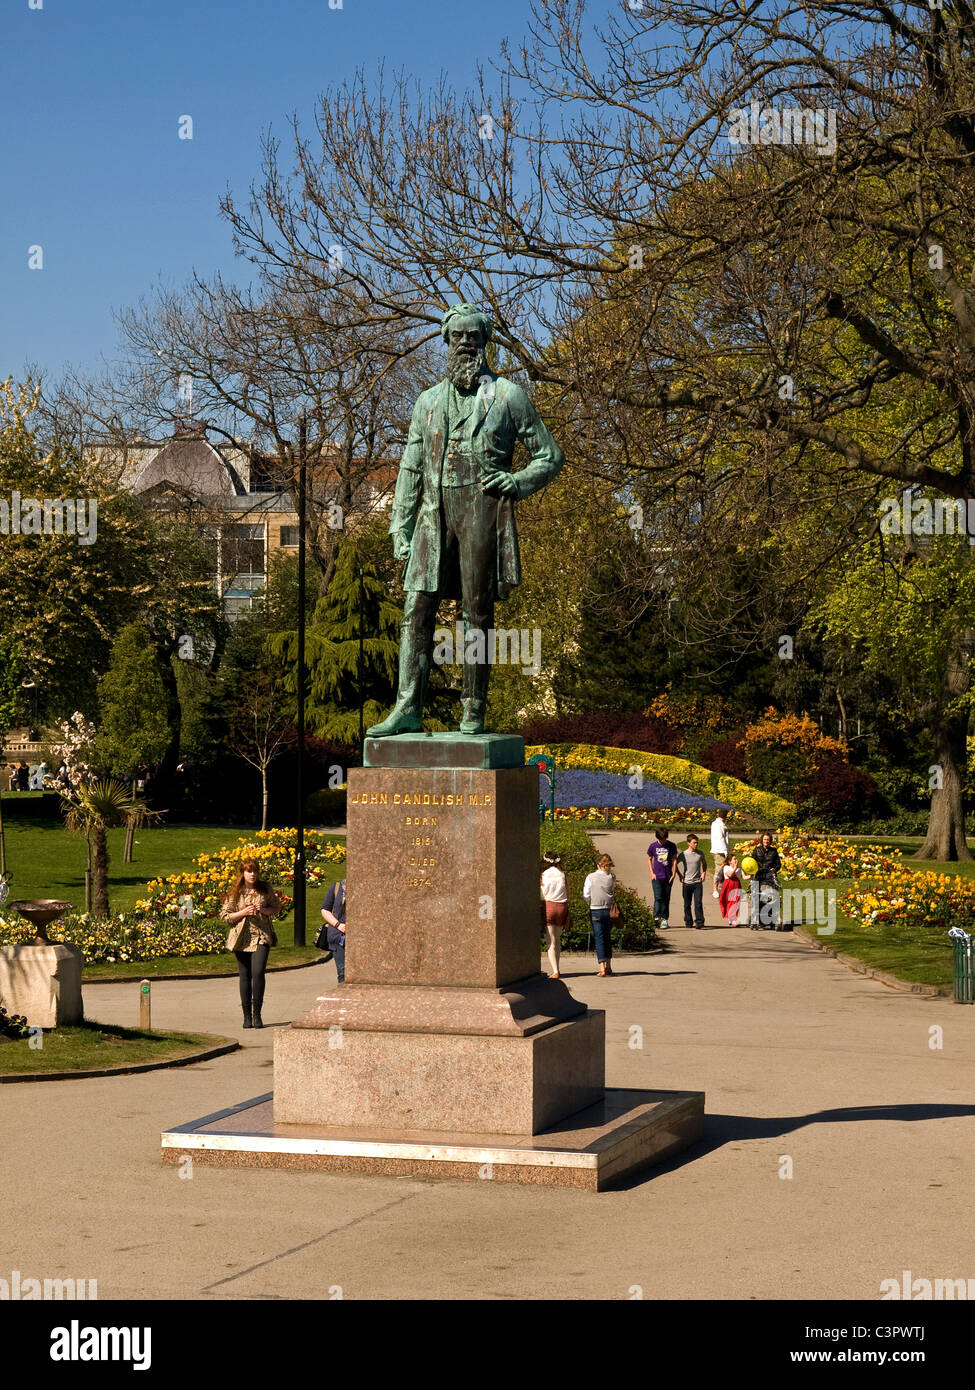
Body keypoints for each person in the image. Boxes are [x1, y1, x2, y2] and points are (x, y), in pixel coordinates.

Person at [366, 303, 565, 737]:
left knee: (476, 612)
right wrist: (399, 527)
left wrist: (516, 481)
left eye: (474, 335)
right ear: (446, 340)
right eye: (458, 336)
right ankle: (407, 708)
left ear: (486, 341)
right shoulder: (427, 402)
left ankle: (473, 707)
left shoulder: (509, 396)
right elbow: (411, 467)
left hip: (482, 510)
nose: (466, 343)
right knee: (415, 607)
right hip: (433, 516)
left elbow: (550, 456)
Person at [220, 858, 282, 1028]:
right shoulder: (236, 893)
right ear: (243, 873)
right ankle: (246, 1016)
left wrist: (264, 910)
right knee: (245, 975)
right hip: (241, 938)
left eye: (255, 871)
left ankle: (257, 1014)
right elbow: (225, 916)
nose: (252, 874)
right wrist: (243, 912)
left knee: (258, 971)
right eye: (249, 871)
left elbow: (276, 907)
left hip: (261, 935)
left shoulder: (265, 889)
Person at [582, 853, 616, 977]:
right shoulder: (612, 876)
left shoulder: (590, 876)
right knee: (607, 937)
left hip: (595, 909)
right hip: (609, 909)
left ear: (598, 864)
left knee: (599, 938)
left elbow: (586, 894)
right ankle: (609, 966)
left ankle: (602, 968)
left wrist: (591, 900)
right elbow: (612, 890)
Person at [540, 850, 569, 979]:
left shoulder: (542, 875)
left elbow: (540, 893)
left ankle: (555, 970)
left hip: (548, 906)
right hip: (562, 906)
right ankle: (557, 968)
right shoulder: (562, 874)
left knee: (550, 941)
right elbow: (567, 891)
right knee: (557, 939)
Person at [750, 832, 782, 930]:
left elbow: (778, 864)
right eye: (764, 839)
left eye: (768, 839)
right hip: (758, 877)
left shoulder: (774, 851)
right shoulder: (757, 850)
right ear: (762, 840)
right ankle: (757, 921)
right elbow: (751, 862)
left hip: (769, 878)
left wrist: (774, 869)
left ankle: (771, 920)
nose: (766, 841)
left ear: (770, 841)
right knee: (756, 899)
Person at [676, 833, 708, 928]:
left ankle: (699, 922)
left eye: (697, 843)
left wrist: (704, 873)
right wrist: (680, 875)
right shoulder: (683, 854)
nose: (696, 845)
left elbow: (704, 864)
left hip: (697, 883)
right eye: (694, 843)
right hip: (687, 883)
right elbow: (675, 864)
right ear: (688, 843)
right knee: (687, 904)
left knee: (698, 902)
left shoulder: (700, 853)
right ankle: (688, 921)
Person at [647, 827, 678, 928]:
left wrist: (673, 874)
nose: (663, 841)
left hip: (668, 876)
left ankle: (664, 919)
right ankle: (656, 917)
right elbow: (649, 859)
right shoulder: (653, 846)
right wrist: (652, 873)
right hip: (656, 876)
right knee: (658, 897)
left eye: (664, 839)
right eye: (661, 839)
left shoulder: (671, 846)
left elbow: (674, 860)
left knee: (666, 898)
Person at [320, 877, 348, 983]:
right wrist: (338, 925)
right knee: (343, 974)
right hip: (340, 937)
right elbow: (325, 909)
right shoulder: (337, 887)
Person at [716, 852, 746, 925]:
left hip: (737, 886)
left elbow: (744, 877)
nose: (736, 860)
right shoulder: (726, 867)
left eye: (736, 859)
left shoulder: (739, 869)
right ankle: (732, 919)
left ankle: (732, 918)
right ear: (730, 861)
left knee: (736, 902)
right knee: (730, 902)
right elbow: (730, 875)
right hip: (728, 886)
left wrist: (752, 875)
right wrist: (735, 867)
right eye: (734, 859)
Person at [710, 808, 730, 897]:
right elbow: (721, 838)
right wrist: (725, 851)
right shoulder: (720, 825)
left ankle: (720, 889)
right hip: (720, 851)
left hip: (717, 849)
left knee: (721, 870)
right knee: (718, 870)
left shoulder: (715, 823)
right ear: (726, 815)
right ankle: (715, 890)